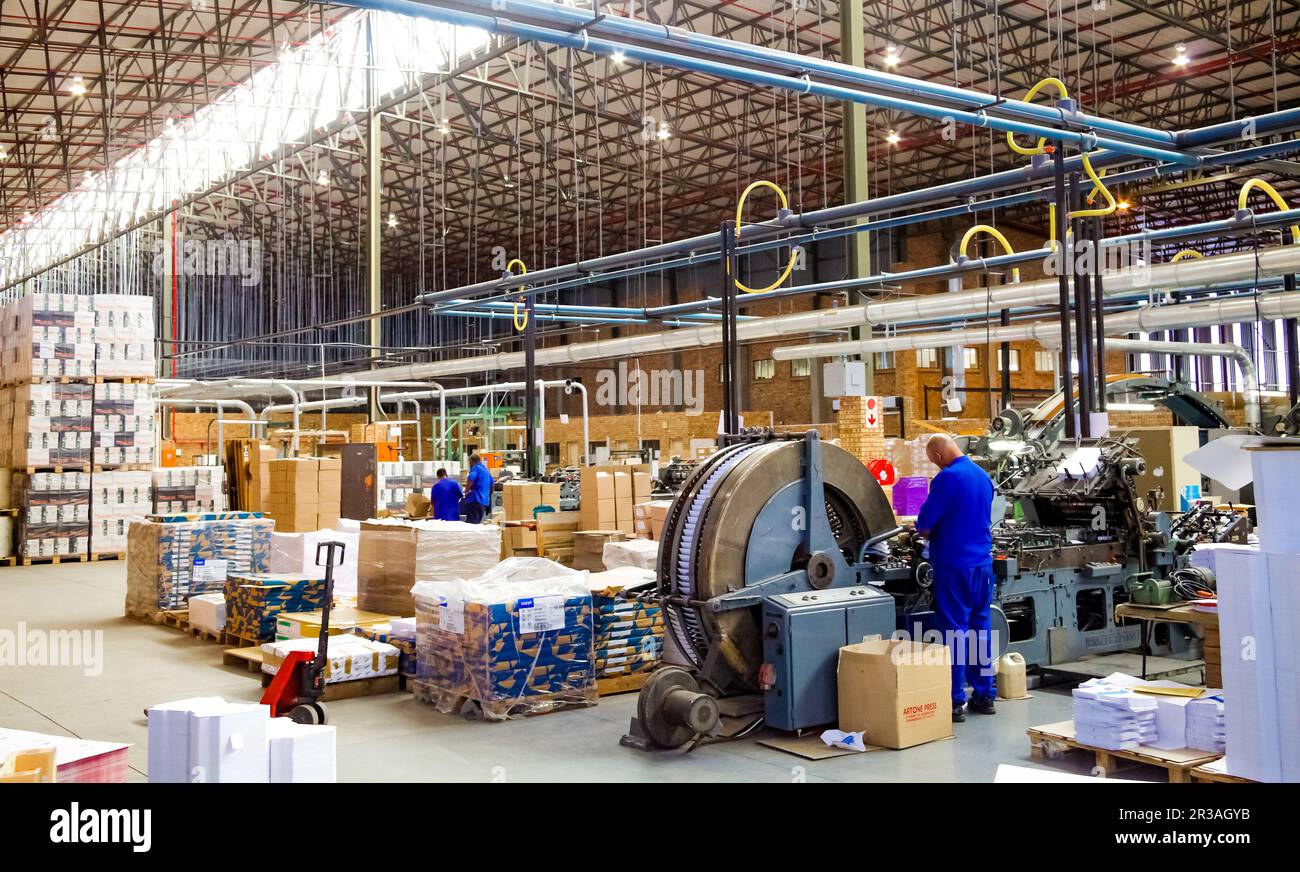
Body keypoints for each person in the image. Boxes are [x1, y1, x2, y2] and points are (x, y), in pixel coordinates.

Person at [915, 434, 997, 723]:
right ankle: (985, 696)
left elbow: (924, 525)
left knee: (954, 633)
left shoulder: (947, 479)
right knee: (980, 629)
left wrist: (921, 532)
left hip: (954, 566)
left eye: (932, 462)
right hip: (983, 566)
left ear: (937, 456)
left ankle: (953, 701)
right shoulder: (982, 476)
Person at [463, 454, 493, 524]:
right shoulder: (485, 469)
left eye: (469, 462)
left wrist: (466, 491)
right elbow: (492, 483)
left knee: (472, 525)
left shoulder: (475, 468)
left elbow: (471, 478)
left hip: (475, 500)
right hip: (484, 503)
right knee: (477, 523)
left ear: (472, 461)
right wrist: (488, 495)